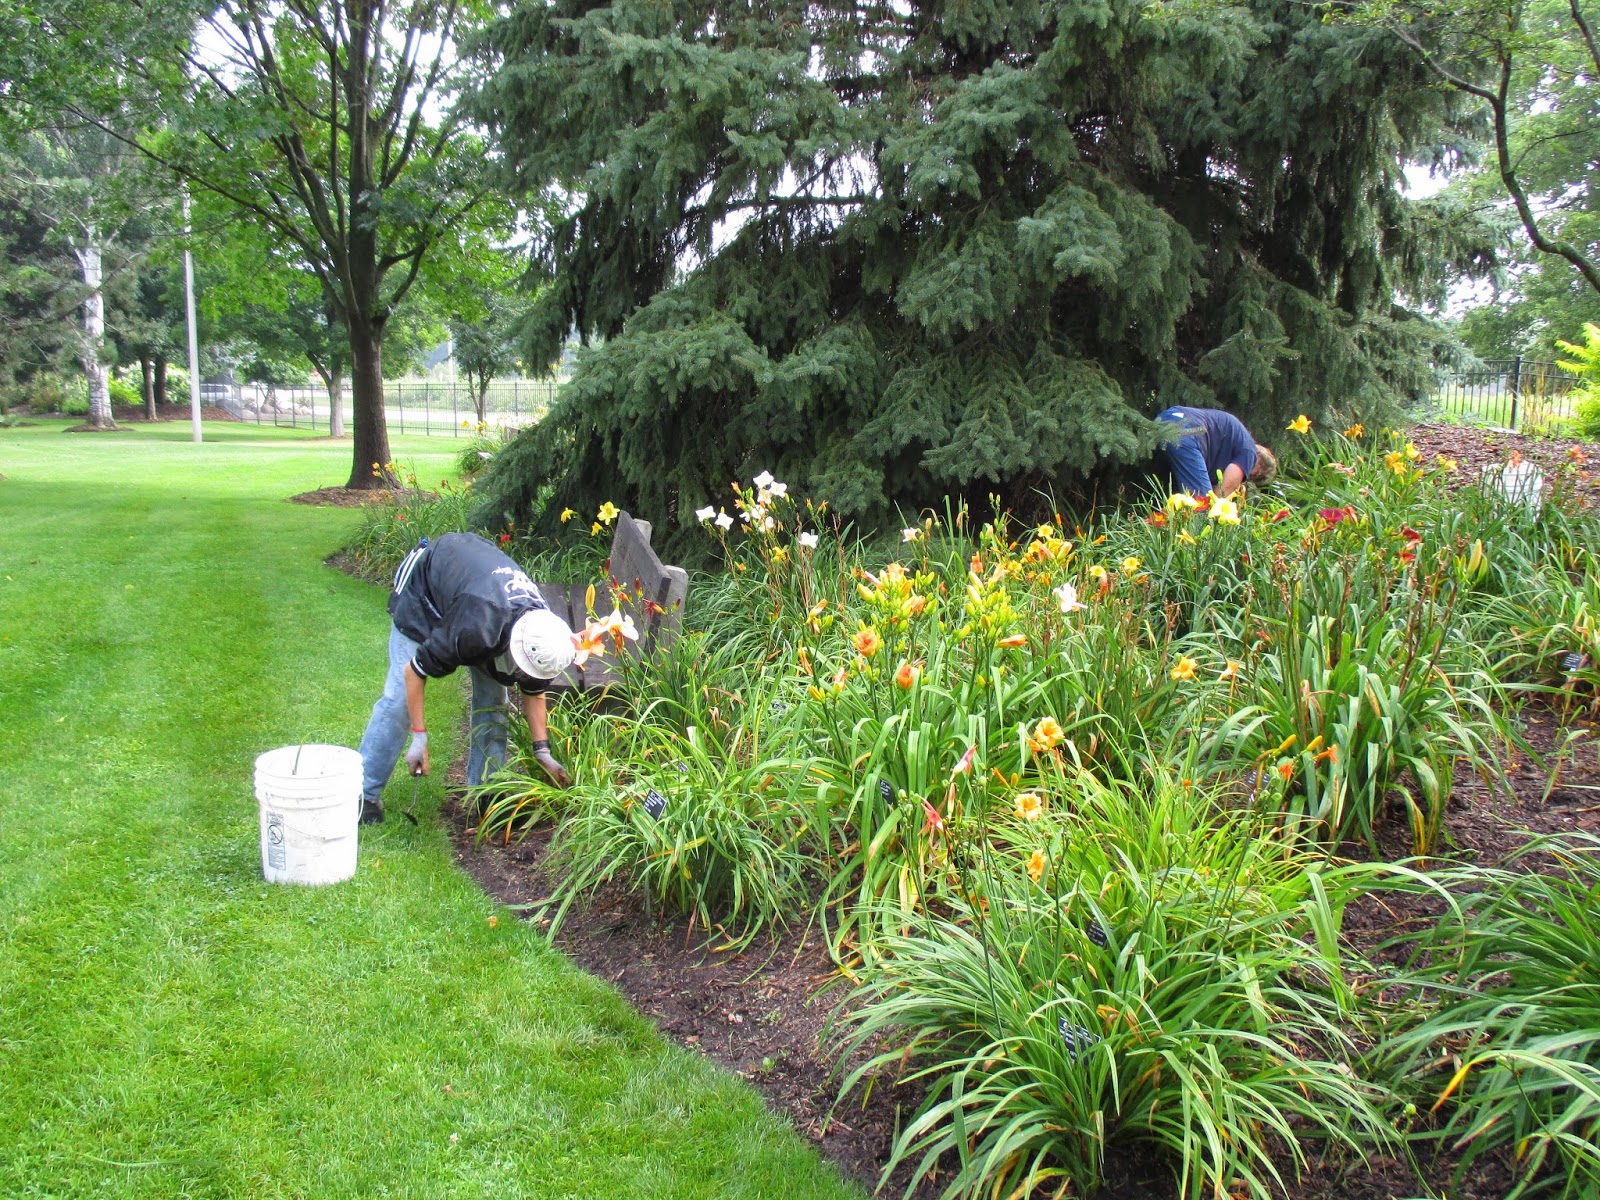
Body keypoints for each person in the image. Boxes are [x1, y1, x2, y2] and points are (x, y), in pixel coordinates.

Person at [356, 532, 577, 824]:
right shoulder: (476, 629)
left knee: (494, 702)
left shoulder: (543, 633)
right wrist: (419, 738)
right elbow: (414, 671)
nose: (525, 676)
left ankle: (487, 793)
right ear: (517, 649)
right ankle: (363, 795)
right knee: (399, 700)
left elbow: (534, 692)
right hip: (427, 589)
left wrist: (543, 752)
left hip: (476, 590)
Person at [1156, 405, 1278, 497]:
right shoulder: (1249, 453)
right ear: (1259, 471)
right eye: (1251, 477)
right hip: (1185, 434)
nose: (1245, 478)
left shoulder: (1240, 439)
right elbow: (1221, 493)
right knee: (1201, 506)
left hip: (1167, 418)